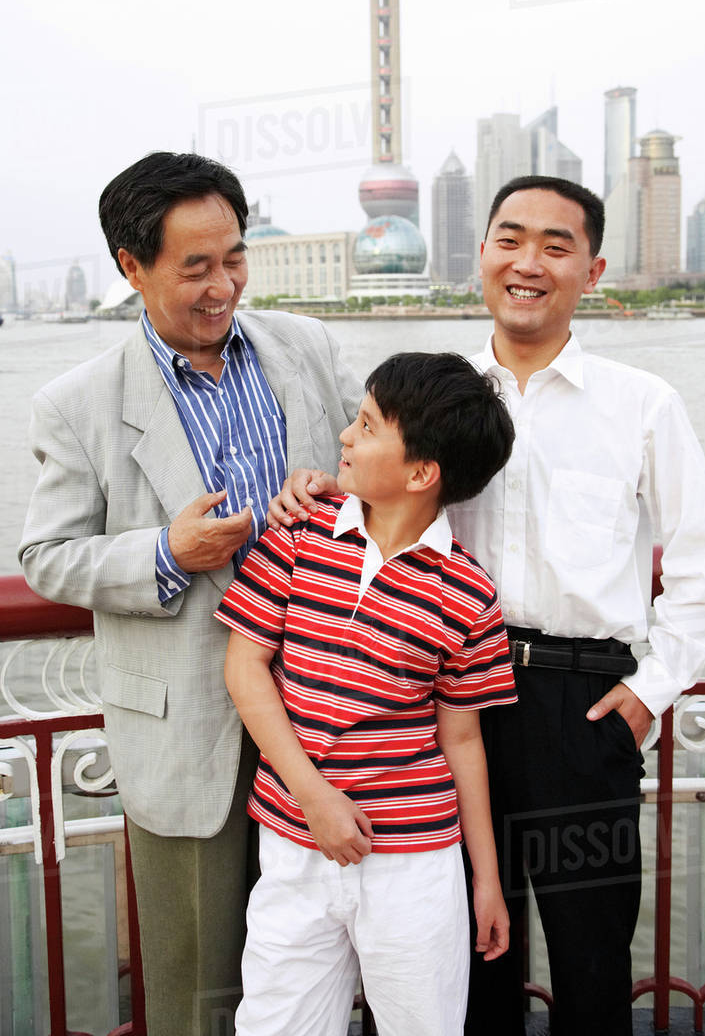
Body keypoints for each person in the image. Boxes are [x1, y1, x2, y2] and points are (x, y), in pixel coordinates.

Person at [268, 176, 705, 1036]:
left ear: (591, 271)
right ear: (479, 253)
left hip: (581, 707)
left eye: (556, 247)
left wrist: (646, 698)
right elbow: (375, 502)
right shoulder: (432, 399)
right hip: (444, 709)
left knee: (592, 956)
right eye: (509, 239)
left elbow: (704, 570)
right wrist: (311, 487)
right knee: (470, 954)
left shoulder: (641, 405)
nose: (528, 263)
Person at [18, 151, 362, 1036]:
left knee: (327, 965)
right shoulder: (77, 402)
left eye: (235, 258)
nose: (223, 287)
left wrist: (338, 490)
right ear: (131, 267)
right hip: (183, 733)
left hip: (332, 712)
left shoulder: (309, 348)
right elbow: (46, 558)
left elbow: (390, 476)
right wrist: (168, 552)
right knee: (196, 984)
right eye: (195, 268)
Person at [219, 352, 519, 1036]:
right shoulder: (300, 529)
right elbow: (245, 669)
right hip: (295, 844)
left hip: (414, 860)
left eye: (368, 424)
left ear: (421, 473)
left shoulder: (467, 593)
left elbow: (461, 738)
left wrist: (485, 878)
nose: (346, 437)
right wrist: (314, 796)